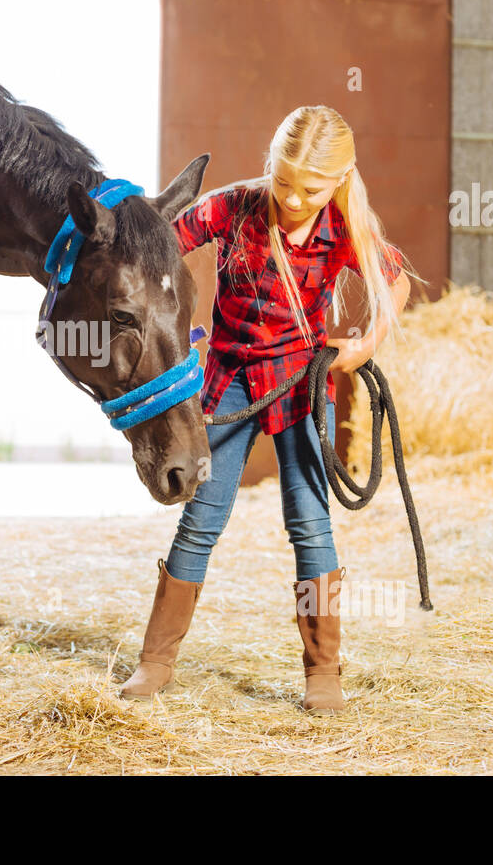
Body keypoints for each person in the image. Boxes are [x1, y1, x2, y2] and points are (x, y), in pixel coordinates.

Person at [120, 105, 417, 713]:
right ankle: (155, 662)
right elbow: (160, 244)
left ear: (340, 178)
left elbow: (396, 282)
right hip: (228, 378)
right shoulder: (235, 206)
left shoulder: (345, 226)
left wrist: (362, 346)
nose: (294, 198)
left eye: (311, 188)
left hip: (300, 386)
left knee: (311, 523)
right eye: (283, 182)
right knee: (201, 518)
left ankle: (323, 672)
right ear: (270, 168)